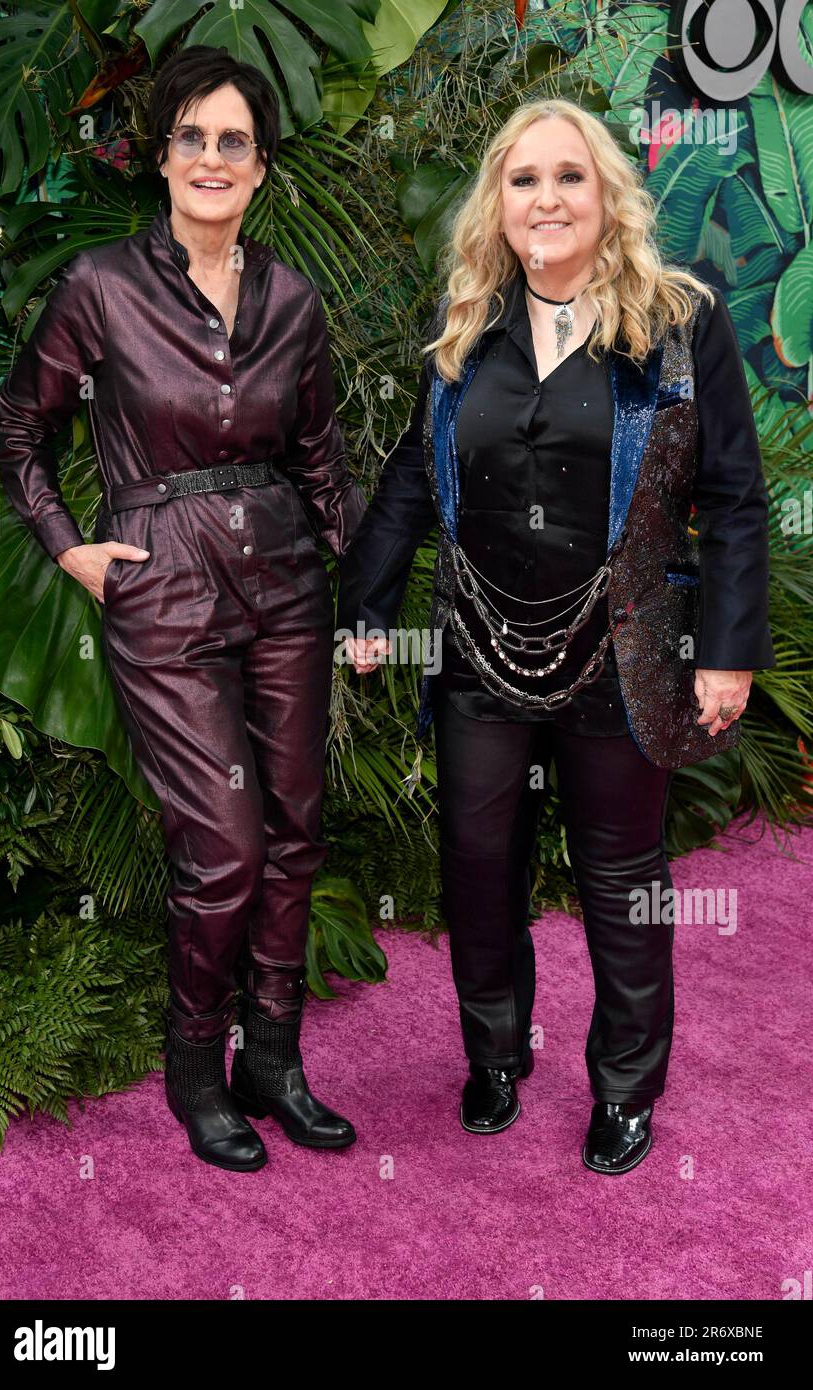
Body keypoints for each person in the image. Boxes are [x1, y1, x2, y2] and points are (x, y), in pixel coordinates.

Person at [337, 98, 775, 1175]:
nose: (547, 197)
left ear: (607, 194)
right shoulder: (467, 321)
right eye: (524, 178)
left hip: (621, 656)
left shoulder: (682, 321)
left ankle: (626, 1089)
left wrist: (727, 649)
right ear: (498, 202)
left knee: (624, 881)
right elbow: (407, 482)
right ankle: (493, 1058)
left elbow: (736, 496)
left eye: (569, 176)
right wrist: (365, 606)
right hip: (482, 653)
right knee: (478, 869)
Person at [0, 46, 368, 1172]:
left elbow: (320, 460)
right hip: (162, 591)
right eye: (193, 138)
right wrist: (71, 550)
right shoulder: (100, 287)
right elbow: (23, 429)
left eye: (234, 142)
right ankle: (197, 1069)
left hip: (289, 586)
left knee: (296, 835)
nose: (213, 158)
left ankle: (276, 1061)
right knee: (226, 849)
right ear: (161, 159)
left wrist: (367, 589)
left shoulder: (294, 302)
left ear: (260, 169)